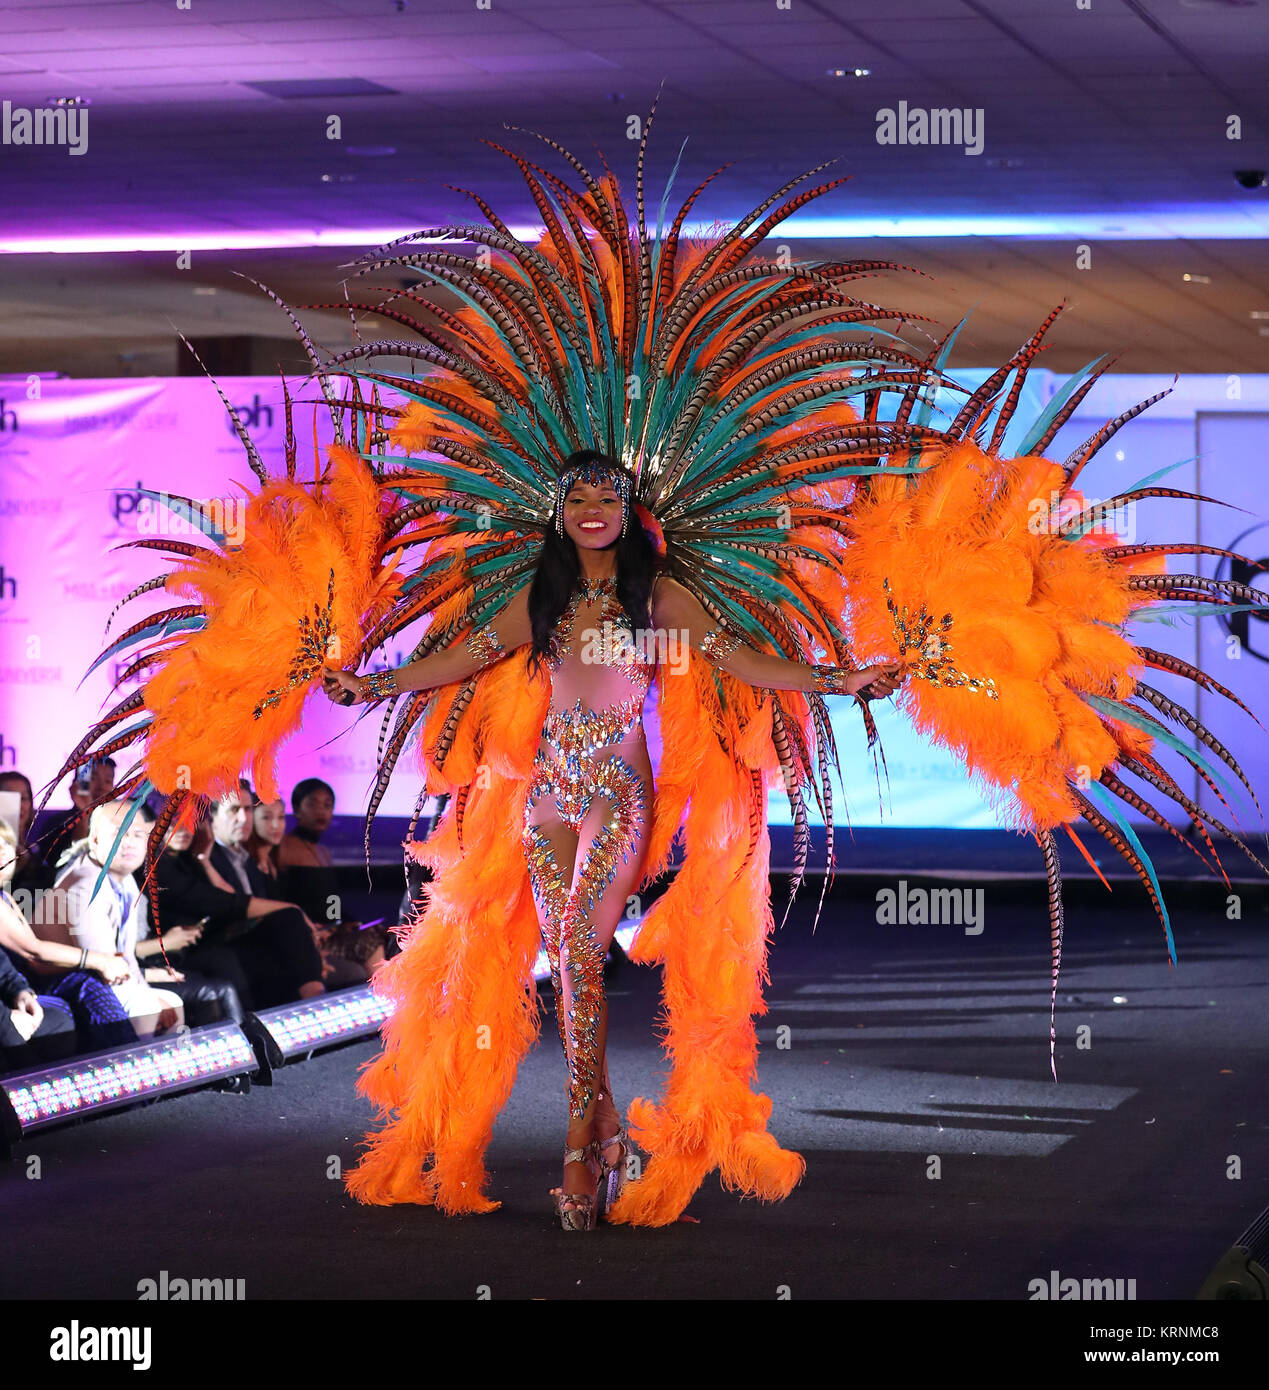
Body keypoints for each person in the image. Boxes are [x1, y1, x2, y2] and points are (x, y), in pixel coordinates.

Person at [324, 453, 902, 1229]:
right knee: (567, 965)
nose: (592, 509)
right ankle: (599, 1127)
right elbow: (457, 657)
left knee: (576, 948)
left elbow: (746, 661)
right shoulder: (542, 598)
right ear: (557, 511)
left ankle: (576, 1136)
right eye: (578, 497)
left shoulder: (657, 598)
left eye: (608, 496)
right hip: (547, 797)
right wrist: (370, 686)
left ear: (630, 510)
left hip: (615, 796)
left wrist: (840, 678)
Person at [151, 796, 326, 1009]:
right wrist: (291, 908)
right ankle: (303, 1009)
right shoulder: (159, 866)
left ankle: (313, 1001)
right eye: (173, 821)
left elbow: (229, 902)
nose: (183, 828)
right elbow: (224, 903)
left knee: (286, 932)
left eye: (191, 821)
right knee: (283, 923)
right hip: (176, 953)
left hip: (212, 939)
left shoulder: (190, 859)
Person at [41, 802, 184, 1039]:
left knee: (171, 1001)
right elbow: (105, 966)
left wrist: (147, 991)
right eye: (119, 833)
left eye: (137, 834)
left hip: (99, 975)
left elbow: (126, 956)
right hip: (68, 980)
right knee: (147, 1007)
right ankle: (137, 1072)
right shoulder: (85, 884)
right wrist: (150, 998)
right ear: (95, 839)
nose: (129, 842)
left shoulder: (123, 878)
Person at [274, 779, 387, 985]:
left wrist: (342, 922)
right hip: (306, 936)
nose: (321, 811)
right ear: (297, 809)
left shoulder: (324, 853)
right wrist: (311, 929)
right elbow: (281, 897)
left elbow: (330, 900)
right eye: (313, 804)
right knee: (370, 941)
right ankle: (384, 997)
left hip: (329, 931)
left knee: (380, 932)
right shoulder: (283, 847)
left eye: (327, 805)